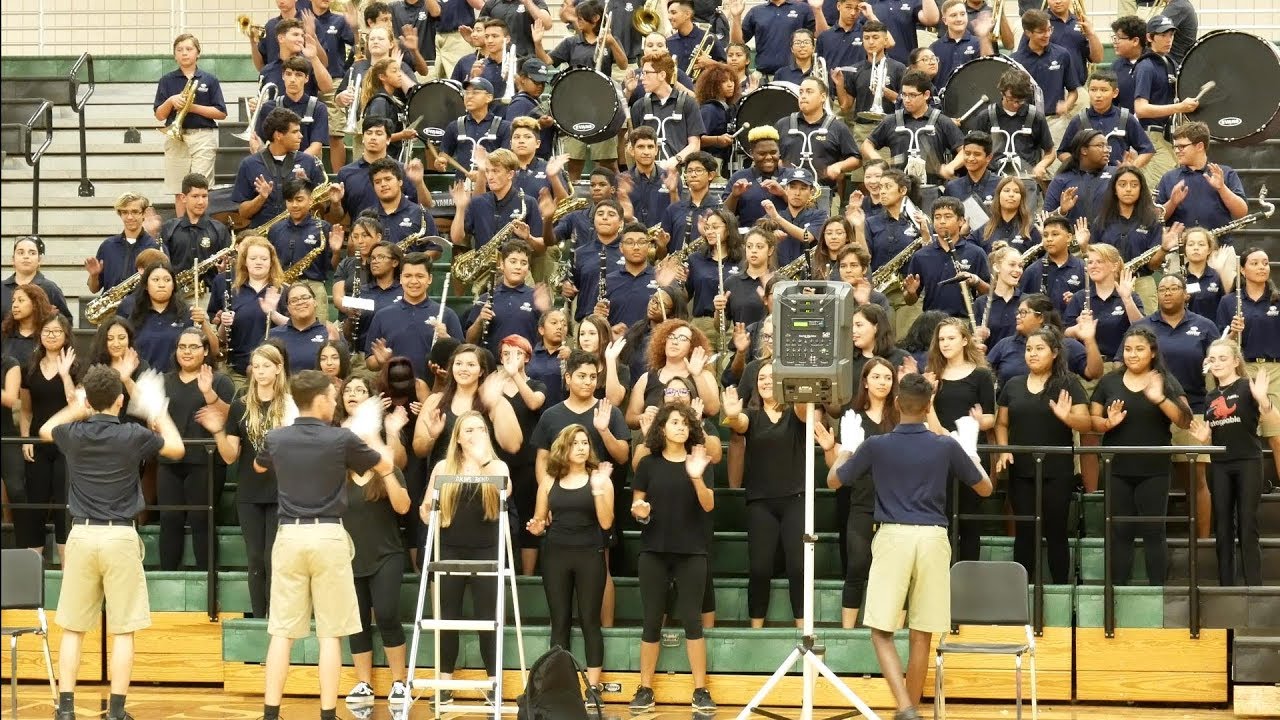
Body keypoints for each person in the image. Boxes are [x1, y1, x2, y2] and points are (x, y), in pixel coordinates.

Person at [828, 373, 992, 720]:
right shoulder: (945, 445)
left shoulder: (876, 445)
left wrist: (845, 448)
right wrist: (970, 452)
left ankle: (905, 707)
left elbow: (834, 481)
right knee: (922, 633)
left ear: (897, 404)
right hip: (934, 537)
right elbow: (986, 489)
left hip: (893, 535)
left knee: (880, 630)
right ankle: (911, 710)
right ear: (929, 405)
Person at [46, 365, 185, 720]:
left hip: (81, 534)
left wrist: (78, 408)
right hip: (120, 535)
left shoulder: (73, 433)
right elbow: (177, 448)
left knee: (74, 628)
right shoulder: (133, 435)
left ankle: (65, 710)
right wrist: (157, 410)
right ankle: (117, 712)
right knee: (124, 629)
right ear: (121, 401)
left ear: (88, 400)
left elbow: (46, 429)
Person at [253, 369, 394, 720]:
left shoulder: (276, 437)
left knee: (282, 633)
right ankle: (328, 713)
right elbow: (386, 464)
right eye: (332, 398)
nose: (335, 402)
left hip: (288, 535)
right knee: (331, 634)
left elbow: (258, 467)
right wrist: (367, 432)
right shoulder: (341, 439)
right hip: (329, 535)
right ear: (318, 401)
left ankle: (271, 713)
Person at [417, 409, 513, 704]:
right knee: (446, 620)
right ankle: (444, 684)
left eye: (481, 429)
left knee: (489, 620)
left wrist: (483, 459)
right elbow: (425, 510)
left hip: (487, 552)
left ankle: (493, 684)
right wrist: (427, 512)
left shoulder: (496, 466)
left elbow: (505, 491)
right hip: (448, 551)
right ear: (457, 437)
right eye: (468, 430)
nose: (475, 435)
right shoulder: (443, 467)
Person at [627, 402, 716, 712]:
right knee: (652, 620)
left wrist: (696, 477)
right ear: (661, 428)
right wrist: (642, 512)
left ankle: (701, 690)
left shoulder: (701, 462)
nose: (681, 427)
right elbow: (637, 507)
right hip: (653, 551)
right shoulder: (648, 464)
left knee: (693, 620)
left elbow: (708, 505)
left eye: (685, 422)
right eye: (674, 422)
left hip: (692, 551)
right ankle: (645, 689)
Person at [1091, 326, 1192, 585]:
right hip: (1117, 469)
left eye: (1139, 349)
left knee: (1153, 531)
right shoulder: (1109, 382)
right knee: (1119, 532)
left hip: (1154, 469)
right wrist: (1106, 423)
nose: (1132, 354)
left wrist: (1159, 399)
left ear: (1153, 352)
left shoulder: (1164, 380)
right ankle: (1116, 601)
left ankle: (1158, 598)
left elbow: (1184, 420)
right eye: (1127, 349)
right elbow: (1091, 420)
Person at [197, 344, 292, 619]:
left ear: (278, 368)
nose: (260, 372)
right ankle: (259, 619)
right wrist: (217, 432)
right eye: (257, 366)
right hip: (249, 493)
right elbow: (229, 457)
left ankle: (278, 619)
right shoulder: (241, 403)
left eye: (266, 366)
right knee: (255, 560)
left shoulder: (289, 403)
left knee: (274, 559)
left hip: (281, 492)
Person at [993, 326, 1092, 584]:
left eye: (1039, 349)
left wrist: (1066, 417)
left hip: (1057, 471)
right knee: (1025, 530)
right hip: (1021, 471)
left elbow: (1086, 423)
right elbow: (1001, 423)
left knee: (1056, 529)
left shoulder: (1068, 382)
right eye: (1028, 349)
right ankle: (1021, 593)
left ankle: (1059, 591)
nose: (1032, 354)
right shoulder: (1013, 384)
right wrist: (1004, 450)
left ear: (1055, 352)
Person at [337, 377, 413, 708]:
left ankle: (400, 682)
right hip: (348, 558)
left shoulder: (386, 466)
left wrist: (383, 467)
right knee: (355, 621)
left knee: (385, 613)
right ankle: (364, 684)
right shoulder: (335, 471)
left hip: (387, 555)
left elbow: (403, 507)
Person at [525, 424, 613, 707]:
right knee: (559, 620)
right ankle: (559, 686)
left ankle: (593, 687)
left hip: (589, 553)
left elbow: (606, 523)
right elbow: (540, 520)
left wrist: (598, 490)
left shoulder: (599, 479)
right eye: (575, 442)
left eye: (585, 442)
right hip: (555, 555)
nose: (581, 447)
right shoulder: (549, 480)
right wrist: (536, 526)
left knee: (589, 620)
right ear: (564, 447)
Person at [722, 361, 813, 628]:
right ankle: (756, 627)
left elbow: (803, 410)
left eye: (772, 377)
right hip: (761, 502)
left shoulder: (795, 413)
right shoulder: (752, 416)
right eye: (761, 378)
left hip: (795, 500)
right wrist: (733, 414)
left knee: (797, 567)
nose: (765, 382)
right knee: (760, 568)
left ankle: (802, 627)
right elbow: (739, 424)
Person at [1140, 272, 1219, 537]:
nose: (1168, 292)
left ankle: (1203, 540)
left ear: (1186, 294)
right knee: (1149, 479)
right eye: (1163, 288)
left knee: (1196, 481)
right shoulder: (1143, 327)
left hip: (1193, 409)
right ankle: (1150, 537)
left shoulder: (1205, 325)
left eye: (1174, 288)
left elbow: (1218, 364)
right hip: (1150, 414)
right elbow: (1124, 362)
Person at [1191, 338, 1275, 586]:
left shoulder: (1247, 386)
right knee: (1224, 526)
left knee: (1247, 523)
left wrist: (1263, 400)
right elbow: (1214, 434)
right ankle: (1226, 585)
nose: (1217, 363)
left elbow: (1274, 417)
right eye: (1212, 359)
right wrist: (1206, 440)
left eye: (1223, 358)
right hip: (1220, 465)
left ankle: (1254, 587)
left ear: (1236, 361)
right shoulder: (1210, 397)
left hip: (1248, 461)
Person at [821, 358, 897, 628]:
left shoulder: (900, 417)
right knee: (856, 567)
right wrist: (832, 448)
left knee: (894, 574)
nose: (882, 383)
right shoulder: (853, 418)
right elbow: (839, 471)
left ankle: (893, 630)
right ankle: (848, 632)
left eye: (887, 378)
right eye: (876, 377)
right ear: (865, 381)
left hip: (895, 506)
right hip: (862, 501)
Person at [158, 328, 234, 571]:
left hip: (206, 463)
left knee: (202, 520)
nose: (187, 352)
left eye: (193, 347)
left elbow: (232, 416)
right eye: (182, 347)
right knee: (169, 520)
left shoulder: (220, 380)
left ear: (205, 351)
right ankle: (167, 579)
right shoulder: (165, 380)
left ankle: (208, 586)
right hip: (169, 462)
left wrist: (208, 392)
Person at [923, 318, 996, 565]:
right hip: (937, 451)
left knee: (969, 518)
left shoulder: (981, 375)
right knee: (941, 517)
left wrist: (978, 420)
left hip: (969, 451)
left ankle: (967, 577)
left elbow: (991, 417)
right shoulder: (933, 374)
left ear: (965, 340)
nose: (945, 344)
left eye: (951, 338)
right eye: (941, 339)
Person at [18, 314, 81, 557]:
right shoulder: (29, 367)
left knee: (65, 504)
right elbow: (25, 410)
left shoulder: (77, 367)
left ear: (66, 335)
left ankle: (67, 564)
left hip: (67, 443)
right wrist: (26, 439)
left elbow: (76, 406)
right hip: (38, 444)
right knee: (36, 501)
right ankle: (35, 561)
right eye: (46, 331)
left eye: (56, 331)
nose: (51, 335)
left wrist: (65, 375)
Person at [1217, 247, 1280, 482]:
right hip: (1241, 369)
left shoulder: (1277, 299)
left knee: (1277, 432)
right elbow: (1220, 344)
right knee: (1244, 430)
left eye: (1265, 262)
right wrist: (1233, 333)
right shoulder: (1228, 301)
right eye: (1254, 263)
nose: (1262, 267)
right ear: (1242, 269)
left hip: (1273, 369)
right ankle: (1251, 484)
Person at [491, 335, 548, 574]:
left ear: (526, 357)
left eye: (516, 354)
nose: (510, 359)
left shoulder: (537, 385)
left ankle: (526, 577)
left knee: (527, 516)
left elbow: (534, 403)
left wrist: (514, 375)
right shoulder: (493, 385)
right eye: (505, 354)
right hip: (496, 462)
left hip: (527, 463)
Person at [155, 33, 226, 216]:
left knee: (199, 188)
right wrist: (171, 101)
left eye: (189, 49)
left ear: (198, 53)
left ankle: (200, 227)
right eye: (179, 50)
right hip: (176, 137)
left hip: (203, 135)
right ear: (174, 55)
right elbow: (159, 115)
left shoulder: (209, 80)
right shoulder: (167, 80)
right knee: (180, 191)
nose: (184, 53)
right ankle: (181, 231)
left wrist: (191, 106)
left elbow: (221, 113)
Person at [364, 252, 463, 377]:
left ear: (430, 279)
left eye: (420, 276)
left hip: (435, 390)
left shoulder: (447, 315)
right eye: (408, 276)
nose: (413, 281)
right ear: (400, 279)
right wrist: (381, 361)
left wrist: (447, 340)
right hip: (396, 389)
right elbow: (369, 362)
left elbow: (462, 357)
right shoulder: (382, 315)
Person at [208, 236, 289, 388]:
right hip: (238, 371)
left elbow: (295, 327)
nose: (258, 262)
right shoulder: (232, 291)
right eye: (253, 258)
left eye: (264, 258)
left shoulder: (283, 290)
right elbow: (222, 338)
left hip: (274, 372)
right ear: (244, 261)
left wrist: (274, 314)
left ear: (271, 262)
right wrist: (224, 324)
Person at [862, 70, 964, 186]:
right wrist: (880, 161)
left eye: (912, 95)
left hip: (932, 189)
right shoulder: (891, 121)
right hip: (898, 188)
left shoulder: (942, 121)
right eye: (904, 95)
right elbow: (867, 145)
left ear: (926, 95)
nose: (906, 100)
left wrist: (951, 166)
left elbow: (964, 150)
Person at [232, 108, 330, 230]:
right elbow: (243, 213)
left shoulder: (309, 162)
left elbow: (323, 209)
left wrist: (307, 189)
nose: (301, 136)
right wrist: (261, 198)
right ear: (278, 135)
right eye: (295, 132)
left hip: (301, 234)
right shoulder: (249, 164)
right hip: (263, 237)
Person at [1134, 15, 1199, 190]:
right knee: (1156, 190)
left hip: (1168, 137)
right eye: (1163, 35)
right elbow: (1141, 109)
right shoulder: (1146, 66)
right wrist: (1180, 107)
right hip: (1152, 137)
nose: (1168, 39)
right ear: (1149, 37)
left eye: (1171, 35)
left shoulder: (1169, 62)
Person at [1156, 122, 1250, 243]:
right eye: (1175, 147)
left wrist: (1222, 188)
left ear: (1200, 146)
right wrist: (1172, 202)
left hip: (1220, 249)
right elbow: (1157, 219)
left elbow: (1241, 212)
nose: (1177, 151)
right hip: (1180, 249)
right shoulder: (1168, 178)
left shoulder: (1225, 173)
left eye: (1182, 147)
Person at [902, 196, 991, 320]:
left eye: (948, 216)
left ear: (961, 221)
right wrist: (911, 293)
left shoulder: (976, 252)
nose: (942, 221)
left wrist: (975, 281)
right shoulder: (920, 256)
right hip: (931, 322)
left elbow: (989, 293)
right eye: (937, 217)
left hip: (964, 320)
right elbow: (910, 301)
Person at [777, 76, 863, 202]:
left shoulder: (837, 127)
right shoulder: (783, 124)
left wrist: (839, 166)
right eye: (801, 92)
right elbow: (772, 154)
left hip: (822, 193)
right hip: (787, 193)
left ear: (823, 97)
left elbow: (856, 159)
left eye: (809, 92)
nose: (803, 96)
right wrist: (778, 163)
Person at [987, 293, 1103, 385]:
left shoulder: (1065, 345)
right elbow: (984, 372)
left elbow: (1094, 373)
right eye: (1018, 312)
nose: (1017, 316)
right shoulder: (1005, 344)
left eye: (1023, 312)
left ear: (1040, 317)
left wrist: (1089, 340)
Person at [330, 117, 429, 223]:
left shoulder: (402, 170)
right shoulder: (346, 173)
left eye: (378, 133)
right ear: (363, 138)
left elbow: (425, 206)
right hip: (361, 236)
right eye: (369, 133)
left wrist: (419, 183)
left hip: (397, 236)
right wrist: (335, 204)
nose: (373, 137)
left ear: (388, 139)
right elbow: (336, 218)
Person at [965, 69, 1054, 185]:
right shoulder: (985, 117)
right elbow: (973, 150)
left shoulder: (1036, 117)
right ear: (1002, 93)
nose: (1015, 104)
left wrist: (1041, 165)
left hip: (1025, 178)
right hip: (993, 178)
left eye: (1020, 101)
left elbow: (1050, 152)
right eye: (1011, 99)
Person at [1057, 68, 1154, 171]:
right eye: (1093, 90)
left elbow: (1147, 150)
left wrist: (1130, 169)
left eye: (1104, 90)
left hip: (1116, 179)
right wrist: (1079, 166)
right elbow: (1062, 152)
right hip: (1087, 179)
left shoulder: (1125, 118)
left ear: (1115, 93)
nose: (1098, 95)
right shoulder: (1079, 120)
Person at [1011, 9, 1083, 148]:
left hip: (1054, 121)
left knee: (1054, 165)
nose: (1047, 34)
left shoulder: (1062, 54)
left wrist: (1066, 105)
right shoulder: (1016, 61)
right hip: (1024, 122)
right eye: (1041, 31)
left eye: (1050, 29)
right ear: (1028, 33)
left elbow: (1073, 91)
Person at [452, 149, 543, 257]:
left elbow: (542, 249)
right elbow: (456, 239)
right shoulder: (477, 202)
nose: (490, 177)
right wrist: (460, 208)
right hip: (483, 270)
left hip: (516, 269)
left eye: (495, 171)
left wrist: (529, 238)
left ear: (510, 174)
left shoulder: (528, 203)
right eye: (487, 171)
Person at [128, 261, 213, 374]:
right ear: (146, 286)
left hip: (180, 383)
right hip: (145, 384)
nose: (162, 284)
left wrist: (203, 323)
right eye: (156, 280)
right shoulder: (135, 315)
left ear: (173, 285)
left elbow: (214, 350)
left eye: (167, 280)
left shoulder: (189, 313)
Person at [833, 20, 905, 149]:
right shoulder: (855, 69)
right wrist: (839, 84)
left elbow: (906, 102)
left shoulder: (898, 68)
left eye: (875, 37)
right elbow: (845, 107)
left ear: (885, 40)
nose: (870, 42)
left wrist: (887, 93)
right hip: (862, 130)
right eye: (866, 38)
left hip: (889, 128)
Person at [463, 241, 542, 354]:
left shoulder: (537, 298)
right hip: (493, 366)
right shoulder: (485, 299)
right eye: (513, 261)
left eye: (523, 263)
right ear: (502, 264)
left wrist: (546, 309)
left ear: (528, 268)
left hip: (526, 366)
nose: (518, 267)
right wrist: (480, 320)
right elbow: (469, 341)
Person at [159, 174, 233, 294]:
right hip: (176, 296)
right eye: (195, 196)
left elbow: (229, 268)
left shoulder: (219, 229)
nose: (200, 202)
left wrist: (224, 270)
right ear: (183, 198)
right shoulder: (169, 228)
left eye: (204, 196)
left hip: (210, 295)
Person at [85, 193, 163, 296]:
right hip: (111, 311)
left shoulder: (155, 247)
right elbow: (93, 289)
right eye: (125, 212)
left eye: (135, 212)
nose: (130, 217)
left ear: (143, 214)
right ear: (120, 214)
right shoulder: (107, 246)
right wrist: (94, 275)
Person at [254, 56, 331, 159]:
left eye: (298, 75)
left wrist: (294, 164)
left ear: (306, 78)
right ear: (283, 76)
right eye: (288, 74)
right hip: (275, 165)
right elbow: (259, 140)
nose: (292, 80)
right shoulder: (269, 107)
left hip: (307, 165)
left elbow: (316, 146)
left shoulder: (318, 108)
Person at [727, 0, 820, 76]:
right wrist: (736, 17)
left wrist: (817, 10)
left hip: (797, 76)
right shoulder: (756, 12)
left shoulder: (802, 8)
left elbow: (821, 35)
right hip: (763, 76)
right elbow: (737, 44)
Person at [1018, 213, 1087, 314]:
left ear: (1068, 237)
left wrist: (1077, 300)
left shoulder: (1082, 268)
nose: (1049, 239)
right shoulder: (1032, 271)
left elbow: (1092, 302)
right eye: (1045, 235)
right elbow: (1021, 305)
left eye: (1055, 234)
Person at [1045, 129, 1117, 224]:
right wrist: (1061, 211)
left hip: (1108, 237)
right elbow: (1044, 219)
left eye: (1107, 146)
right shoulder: (1062, 179)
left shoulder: (1116, 174)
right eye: (1100, 146)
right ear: (1084, 150)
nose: (1106, 150)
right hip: (1072, 237)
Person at [369, 158, 440, 253]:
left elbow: (435, 249)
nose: (383, 184)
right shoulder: (367, 216)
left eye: (388, 179)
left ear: (400, 182)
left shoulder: (420, 213)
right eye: (377, 182)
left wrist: (413, 262)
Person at [724, 126, 787, 229]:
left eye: (773, 152)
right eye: (762, 154)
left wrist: (783, 193)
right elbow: (724, 216)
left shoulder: (792, 176)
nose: (768, 157)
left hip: (786, 239)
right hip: (749, 241)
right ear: (751, 153)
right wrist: (734, 196)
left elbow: (808, 210)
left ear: (779, 152)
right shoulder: (738, 177)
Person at [660, 153, 723, 256]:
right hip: (678, 269)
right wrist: (661, 246)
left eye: (698, 170)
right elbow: (661, 255)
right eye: (689, 171)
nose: (693, 175)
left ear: (711, 175)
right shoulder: (673, 209)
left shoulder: (720, 209)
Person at [269, 283, 340, 373]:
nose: (300, 302)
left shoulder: (329, 333)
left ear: (315, 302)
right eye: (294, 300)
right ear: (288, 308)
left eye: (305, 297)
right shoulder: (273, 335)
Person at [3, 236, 71, 321]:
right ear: (13, 259)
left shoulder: (50, 288)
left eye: (32, 253)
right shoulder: (2, 288)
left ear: (39, 260)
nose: (26, 256)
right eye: (21, 253)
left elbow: (66, 323)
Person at [970, 175, 1040, 253]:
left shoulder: (1031, 229)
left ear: (1022, 198)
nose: (1011, 195)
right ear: (998, 195)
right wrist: (962, 233)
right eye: (1006, 190)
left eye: (1016, 192)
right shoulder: (983, 229)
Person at [930, 0, 994, 84]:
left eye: (962, 14)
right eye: (953, 15)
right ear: (945, 20)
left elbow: (989, 67)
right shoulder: (935, 47)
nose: (959, 19)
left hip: (971, 95)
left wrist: (984, 36)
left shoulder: (978, 42)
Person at [973, 243, 1023, 348]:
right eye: (1012, 264)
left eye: (1020, 266)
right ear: (996, 267)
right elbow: (972, 343)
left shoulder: (1027, 301)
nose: (1018, 270)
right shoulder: (981, 303)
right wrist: (976, 339)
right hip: (989, 362)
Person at [574, 315, 629, 406]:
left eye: (592, 333)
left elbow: (614, 401)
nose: (585, 338)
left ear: (605, 337)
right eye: (582, 334)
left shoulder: (621, 370)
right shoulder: (574, 366)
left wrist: (610, 360)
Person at [2, 283, 55, 368]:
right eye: (13, 301)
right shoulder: (5, 333)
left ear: (35, 304)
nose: (14, 305)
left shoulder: (48, 334)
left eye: (21, 300)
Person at [1182, 226, 1229, 321]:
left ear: (1209, 250)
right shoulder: (1178, 278)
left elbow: (1227, 306)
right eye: (1191, 244)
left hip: (1212, 331)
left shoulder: (1217, 276)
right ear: (1185, 249)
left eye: (1201, 244)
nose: (1196, 248)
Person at [427, 0, 480, 79]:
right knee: (434, 82)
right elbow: (435, 12)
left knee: (461, 79)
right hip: (437, 36)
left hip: (459, 36)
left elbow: (480, 5)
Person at [481, 0, 554, 57]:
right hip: (497, 58)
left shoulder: (534, 1)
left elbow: (547, 24)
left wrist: (528, 3)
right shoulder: (491, 3)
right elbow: (480, 29)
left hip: (526, 58)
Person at [1109, 14, 1145, 112]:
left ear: (1135, 41)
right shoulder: (1116, 67)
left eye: (1118, 38)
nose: (1115, 42)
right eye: (1114, 38)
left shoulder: (1152, 63)